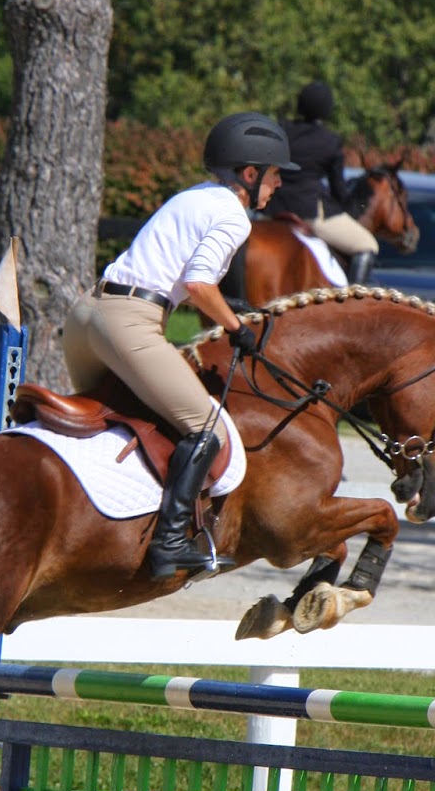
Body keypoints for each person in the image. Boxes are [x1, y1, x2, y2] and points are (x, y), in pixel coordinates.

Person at [63, 111, 298, 580]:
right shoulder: (234, 215)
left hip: (86, 315)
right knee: (207, 428)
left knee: (109, 420)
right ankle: (169, 543)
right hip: (127, 324)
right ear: (249, 174)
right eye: (274, 176)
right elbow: (197, 285)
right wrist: (236, 328)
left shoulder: (193, 196)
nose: (277, 187)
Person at [266, 81, 377, 283]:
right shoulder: (330, 140)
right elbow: (338, 190)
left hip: (269, 206)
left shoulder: (280, 129)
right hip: (307, 211)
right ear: (327, 109)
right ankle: (353, 302)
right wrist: (350, 206)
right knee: (367, 245)